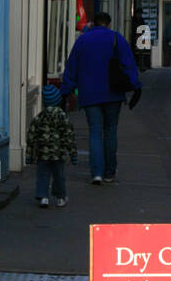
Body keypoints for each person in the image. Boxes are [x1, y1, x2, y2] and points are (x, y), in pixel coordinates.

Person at [60, 11, 141, 183]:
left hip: (89, 94)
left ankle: (96, 172)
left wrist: (66, 91)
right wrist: (136, 87)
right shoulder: (116, 39)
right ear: (109, 24)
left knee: (95, 132)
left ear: (93, 24)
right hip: (113, 93)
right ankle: (109, 172)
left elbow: (71, 66)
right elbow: (128, 64)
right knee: (110, 131)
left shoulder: (82, 40)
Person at [25, 82, 77, 208]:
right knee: (59, 176)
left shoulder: (39, 117)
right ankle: (60, 198)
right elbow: (69, 135)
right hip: (58, 153)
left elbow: (31, 137)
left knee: (43, 175)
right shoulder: (62, 116)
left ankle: (43, 197)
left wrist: (29, 155)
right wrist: (72, 154)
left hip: (43, 153)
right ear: (58, 101)